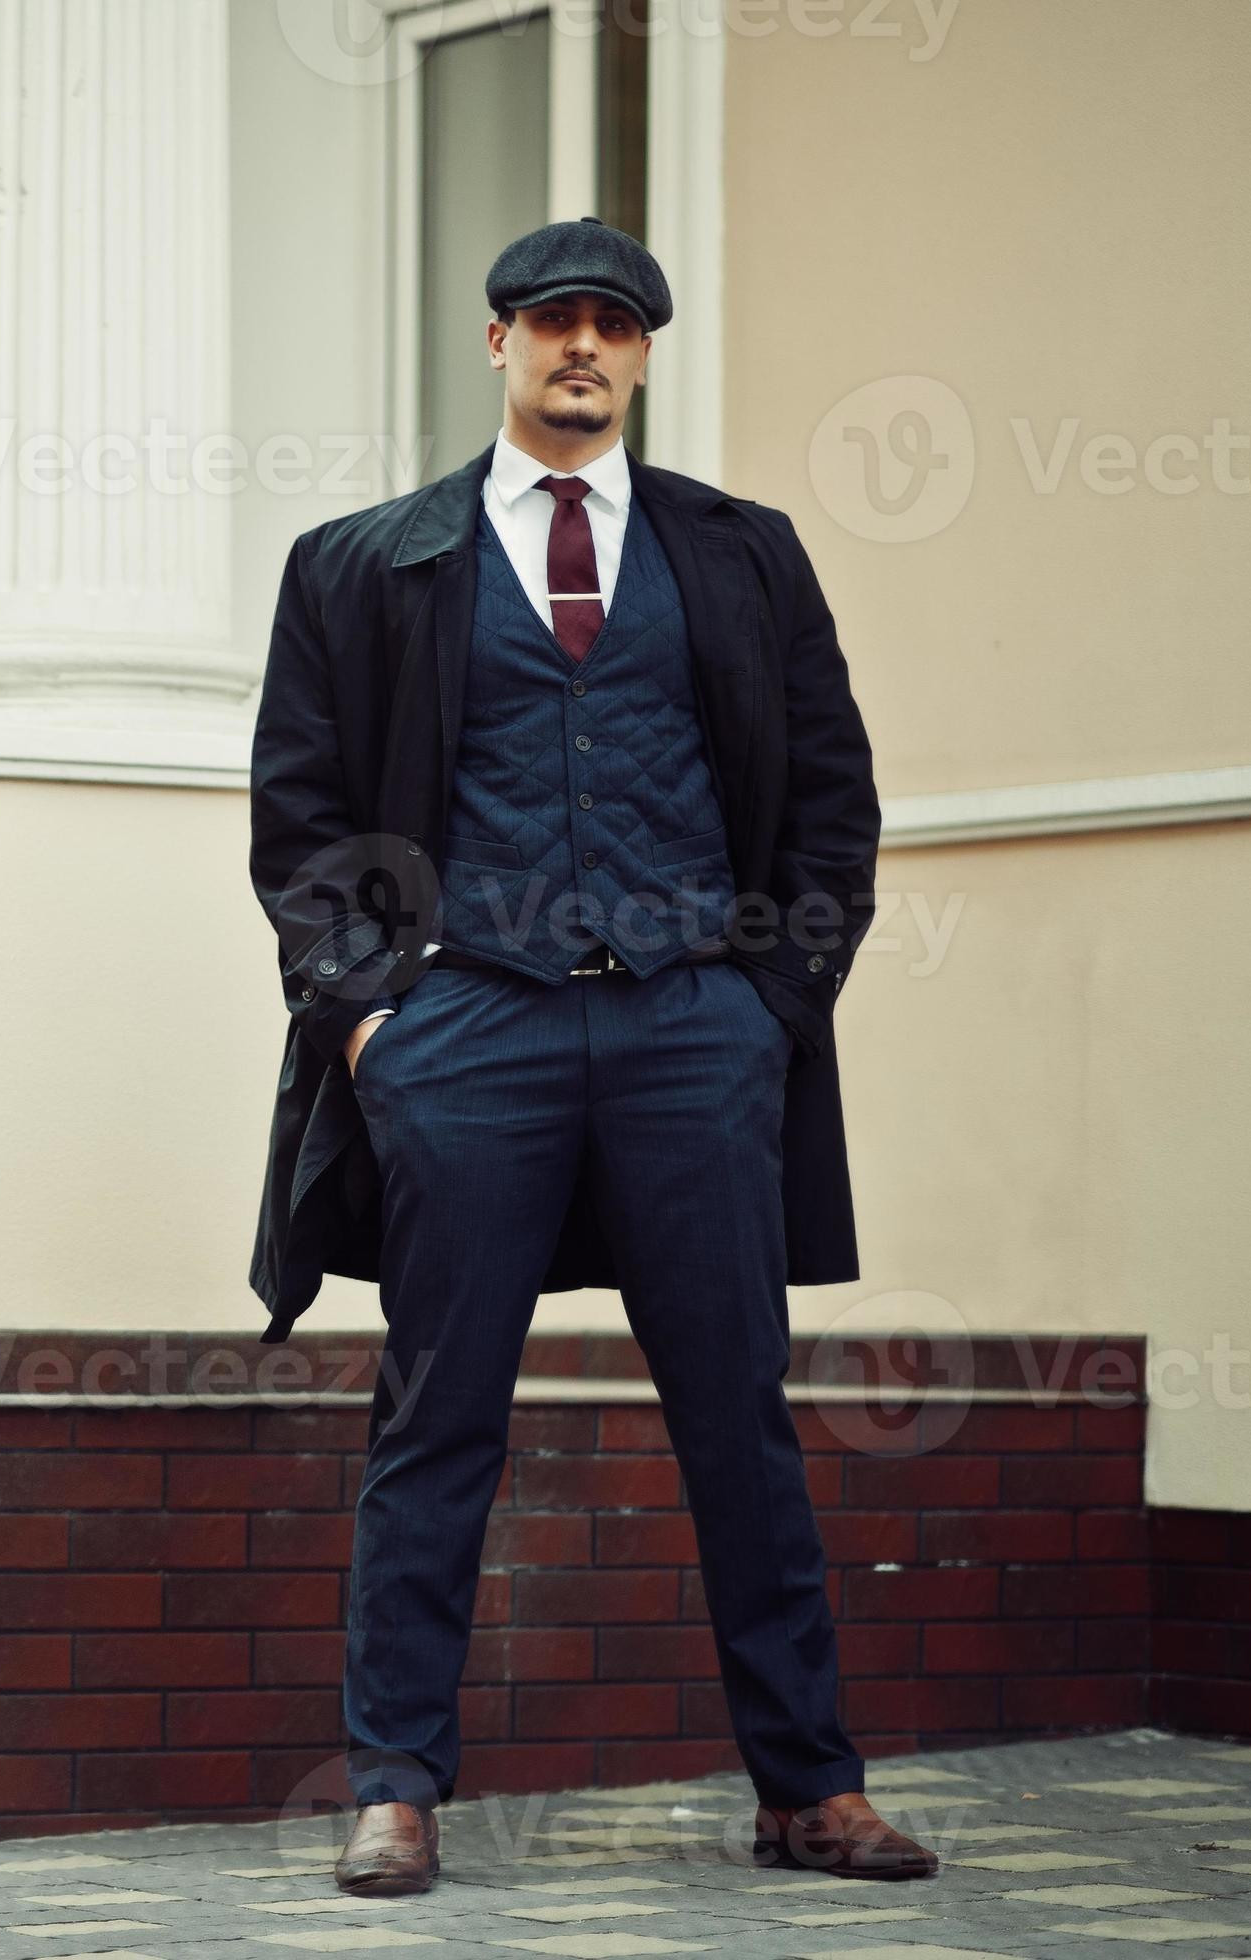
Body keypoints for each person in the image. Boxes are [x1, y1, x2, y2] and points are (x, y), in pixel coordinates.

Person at [245, 216, 936, 1891]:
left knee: (736, 1423)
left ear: (641, 356)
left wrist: (769, 1008)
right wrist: (373, 1020)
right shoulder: (363, 562)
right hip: (466, 1018)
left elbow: (830, 798)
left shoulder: (742, 554)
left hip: (692, 1022)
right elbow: (302, 817)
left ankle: (803, 1786)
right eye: (553, 319)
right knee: (435, 1418)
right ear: (495, 341)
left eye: (614, 326)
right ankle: (395, 1785)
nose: (583, 347)